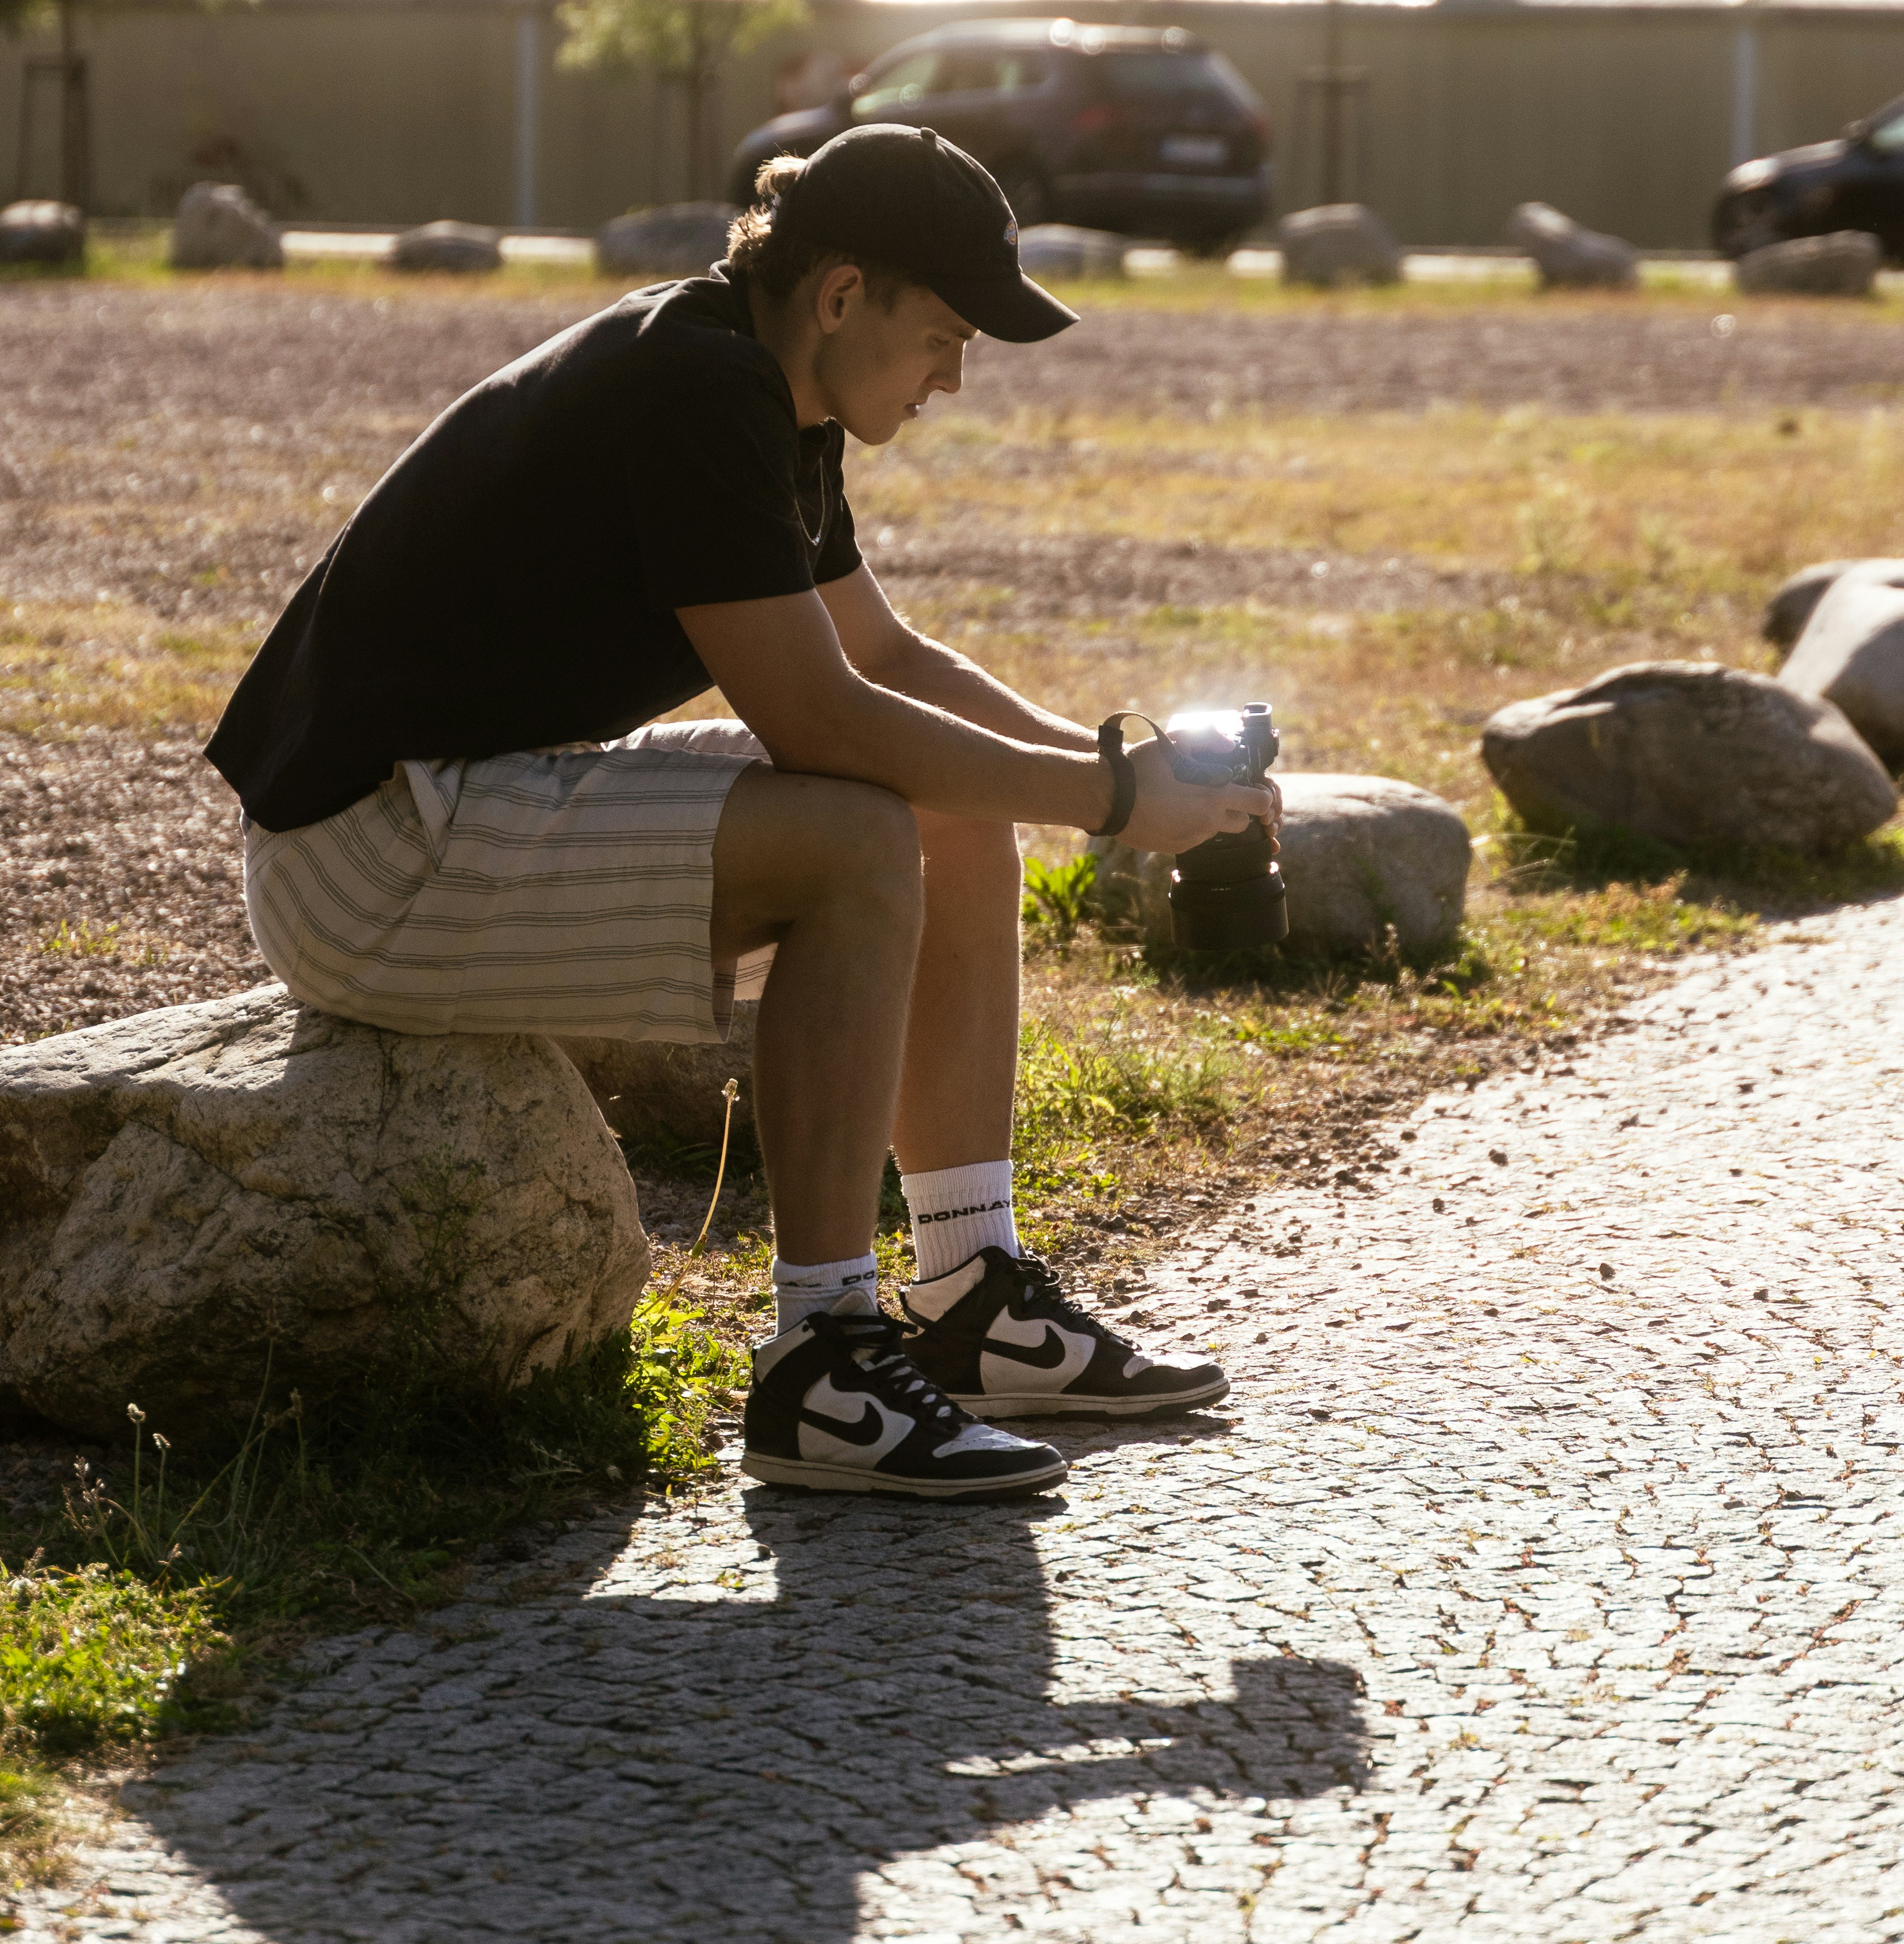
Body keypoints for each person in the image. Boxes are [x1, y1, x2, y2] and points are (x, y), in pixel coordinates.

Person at [206, 124, 1277, 1501]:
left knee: (950, 806)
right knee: (858, 834)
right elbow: (824, 725)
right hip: (366, 857)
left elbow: (884, 665)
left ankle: (965, 1295)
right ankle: (820, 1361)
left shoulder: (772, 385)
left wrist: (1130, 764)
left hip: (460, 799)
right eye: (946, 332)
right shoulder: (698, 391)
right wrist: (1113, 799)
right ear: (842, 295)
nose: (958, 374)